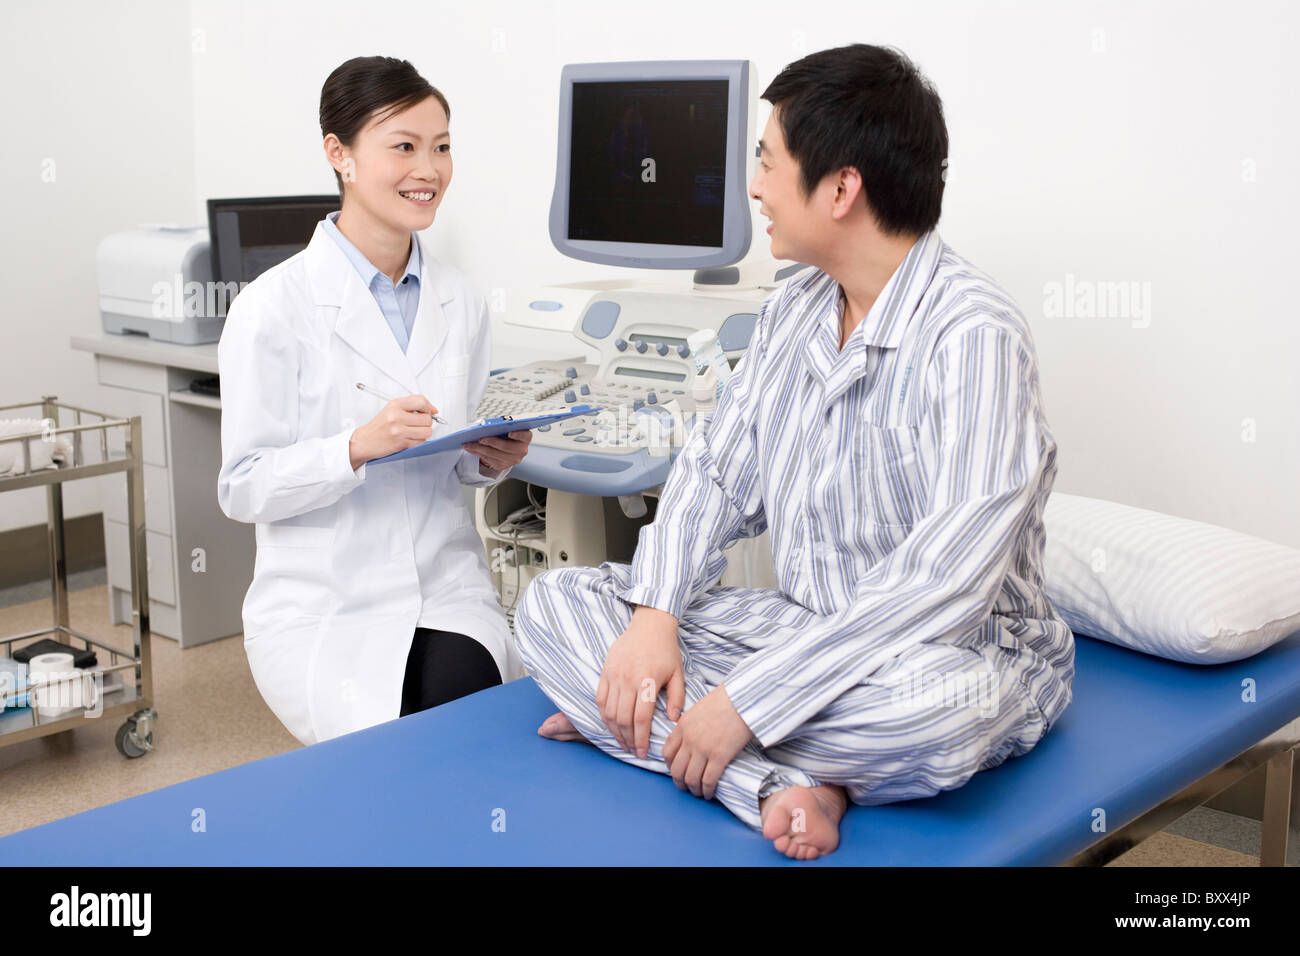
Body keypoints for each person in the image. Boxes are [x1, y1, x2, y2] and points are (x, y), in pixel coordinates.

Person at [514, 44, 1074, 860]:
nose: (754, 187)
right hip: (796, 626)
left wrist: (743, 704)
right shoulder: (795, 312)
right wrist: (658, 616)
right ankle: (784, 786)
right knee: (552, 606)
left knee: (940, 717)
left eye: (769, 163)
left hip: (947, 653)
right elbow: (713, 473)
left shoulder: (973, 335)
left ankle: (641, 730)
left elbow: (942, 584)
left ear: (842, 188)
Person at [217, 56, 532, 746]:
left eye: (441, 147)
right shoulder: (271, 307)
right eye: (404, 147)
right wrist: (354, 446)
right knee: (400, 754)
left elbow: (453, 462)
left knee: (468, 725)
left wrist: (489, 457)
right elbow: (243, 490)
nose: (429, 169)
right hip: (327, 606)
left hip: (444, 590)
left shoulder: (462, 299)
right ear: (341, 155)